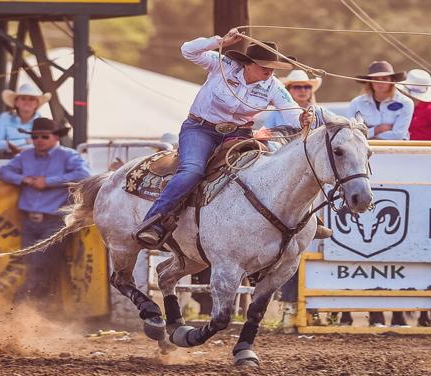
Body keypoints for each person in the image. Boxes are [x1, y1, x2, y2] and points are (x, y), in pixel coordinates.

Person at [135, 29, 296, 248]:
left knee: (269, 168)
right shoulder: (224, 65)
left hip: (239, 133)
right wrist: (221, 41)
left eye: (272, 67)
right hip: (200, 129)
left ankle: (294, 224)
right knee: (192, 170)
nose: (269, 71)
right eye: (263, 65)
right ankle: (155, 221)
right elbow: (188, 50)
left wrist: (305, 118)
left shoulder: (274, 87)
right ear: (247, 63)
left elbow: (292, 113)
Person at [0, 118, 92, 308]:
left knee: (39, 264)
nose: (38, 140)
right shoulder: (25, 157)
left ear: (56, 137)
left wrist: (48, 181)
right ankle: (42, 311)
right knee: (36, 264)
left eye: (44, 136)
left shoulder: (68, 156)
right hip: (30, 221)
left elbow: (85, 175)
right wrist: (25, 179)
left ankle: (21, 307)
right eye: (35, 137)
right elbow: (4, 171)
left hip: (54, 221)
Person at [347, 61, 415, 325]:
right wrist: (380, 131)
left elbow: (399, 135)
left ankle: (394, 308)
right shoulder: (357, 103)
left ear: (392, 80)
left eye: (385, 78)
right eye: (376, 78)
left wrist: (371, 133)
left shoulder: (406, 103)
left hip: (395, 162)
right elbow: (355, 133)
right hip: (362, 164)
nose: (380, 82)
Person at [258, 69, 332, 139]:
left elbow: (338, 125)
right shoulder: (276, 113)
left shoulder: (320, 111)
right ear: (287, 91)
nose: (303, 90)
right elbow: (266, 135)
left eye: (307, 87)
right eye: (297, 87)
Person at [0, 78, 46, 159]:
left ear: (36, 104)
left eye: (31, 99)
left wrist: (11, 145)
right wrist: (25, 141)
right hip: (9, 159)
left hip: (34, 160)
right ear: (16, 102)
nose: (27, 102)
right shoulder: (5, 117)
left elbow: (48, 145)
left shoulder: (43, 122)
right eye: (23, 99)